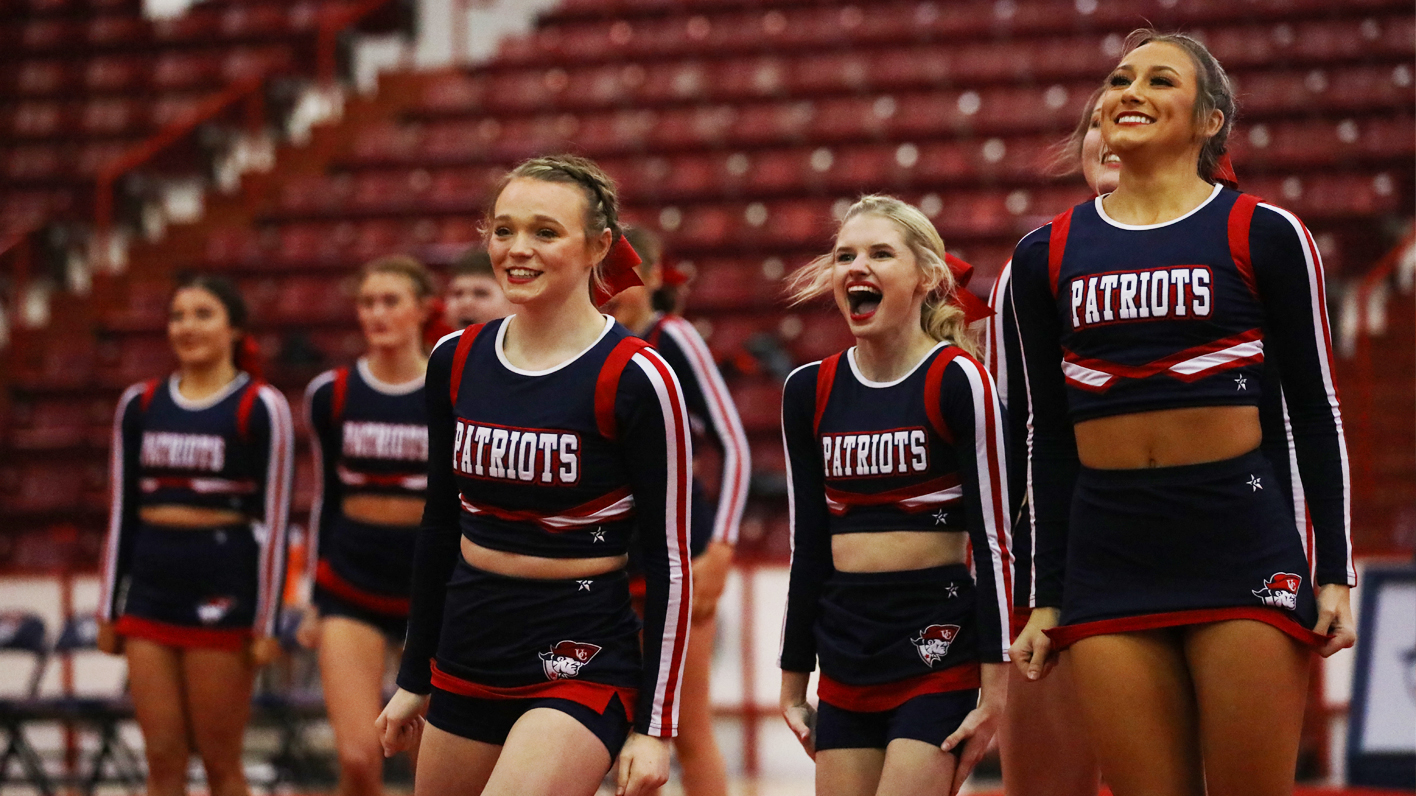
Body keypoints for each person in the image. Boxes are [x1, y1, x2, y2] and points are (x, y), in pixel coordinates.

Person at [1008, 30, 1356, 796]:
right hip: (1109, 553)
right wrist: (1044, 592)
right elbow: (1043, 438)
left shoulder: (1264, 232)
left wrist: (1332, 568)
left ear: (1210, 122)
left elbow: (1313, 407)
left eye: (1160, 80)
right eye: (1120, 78)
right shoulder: (1042, 255)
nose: (1130, 91)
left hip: (1238, 537)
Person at [375, 155, 693, 796]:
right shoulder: (454, 359)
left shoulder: (639, 376)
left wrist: (656, 725)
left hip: (579, 651)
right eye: (503, 230)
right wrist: (414, 677)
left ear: (598, 246)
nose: (518, 249)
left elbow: (668, 559)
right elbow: (439, 524)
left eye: (545, 232)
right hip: (467, 644)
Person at [778, 195, 1012, 796]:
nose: (858, 267)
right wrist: (791, 680)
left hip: (936, 643)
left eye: (881, 253)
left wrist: (996, 689)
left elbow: (993, 540)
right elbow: (809, 546)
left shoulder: (957, 378)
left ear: (927, 275)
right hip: (846, 650)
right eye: (844, 256)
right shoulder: (808, 389)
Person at [97, 274, 293, 796]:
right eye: (178, 315)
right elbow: (122, 513)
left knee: (218, 761)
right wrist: (107, 608)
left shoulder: (261, 405)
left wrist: (268, 620)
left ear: (234, 330)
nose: (187, 326)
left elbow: (275, 522)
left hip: (222, 591)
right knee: (161, 759)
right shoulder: (138, 404)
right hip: (149, 593)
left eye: (203, 314)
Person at [987, 88, 1114, 796]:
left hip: (1213, 543)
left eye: (1129, 117)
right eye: (1094, 123)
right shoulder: (1039, 261)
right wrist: (1020, 582)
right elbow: (1012, 433)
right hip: (1061, 564)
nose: (1109, 134)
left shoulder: (1250, 238)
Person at [606, 225, 750, 796]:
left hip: (681, 553)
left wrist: (721, 547)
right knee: (621, 732)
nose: (614, 286)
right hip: (616, 560)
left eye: (628, 273)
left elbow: (733, 444)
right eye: (605, 273)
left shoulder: (674, 335)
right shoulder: (590, 347)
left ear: (655, 278)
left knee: (682, 729)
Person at [298, 255, 438, 795]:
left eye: (391, 301)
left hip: (430, 585)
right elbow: (325, 499)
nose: (377, 313)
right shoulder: (330, 393)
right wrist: (314, 591)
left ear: (422, 310)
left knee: (432, 765)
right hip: (350, 581)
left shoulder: (449, 388)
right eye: (367, 302)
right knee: (358, 758)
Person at [444, 247, 514, 328]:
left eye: (480, 294)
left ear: (514, 303)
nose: (466, 303)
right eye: (458, 294)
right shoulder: (444, 340)